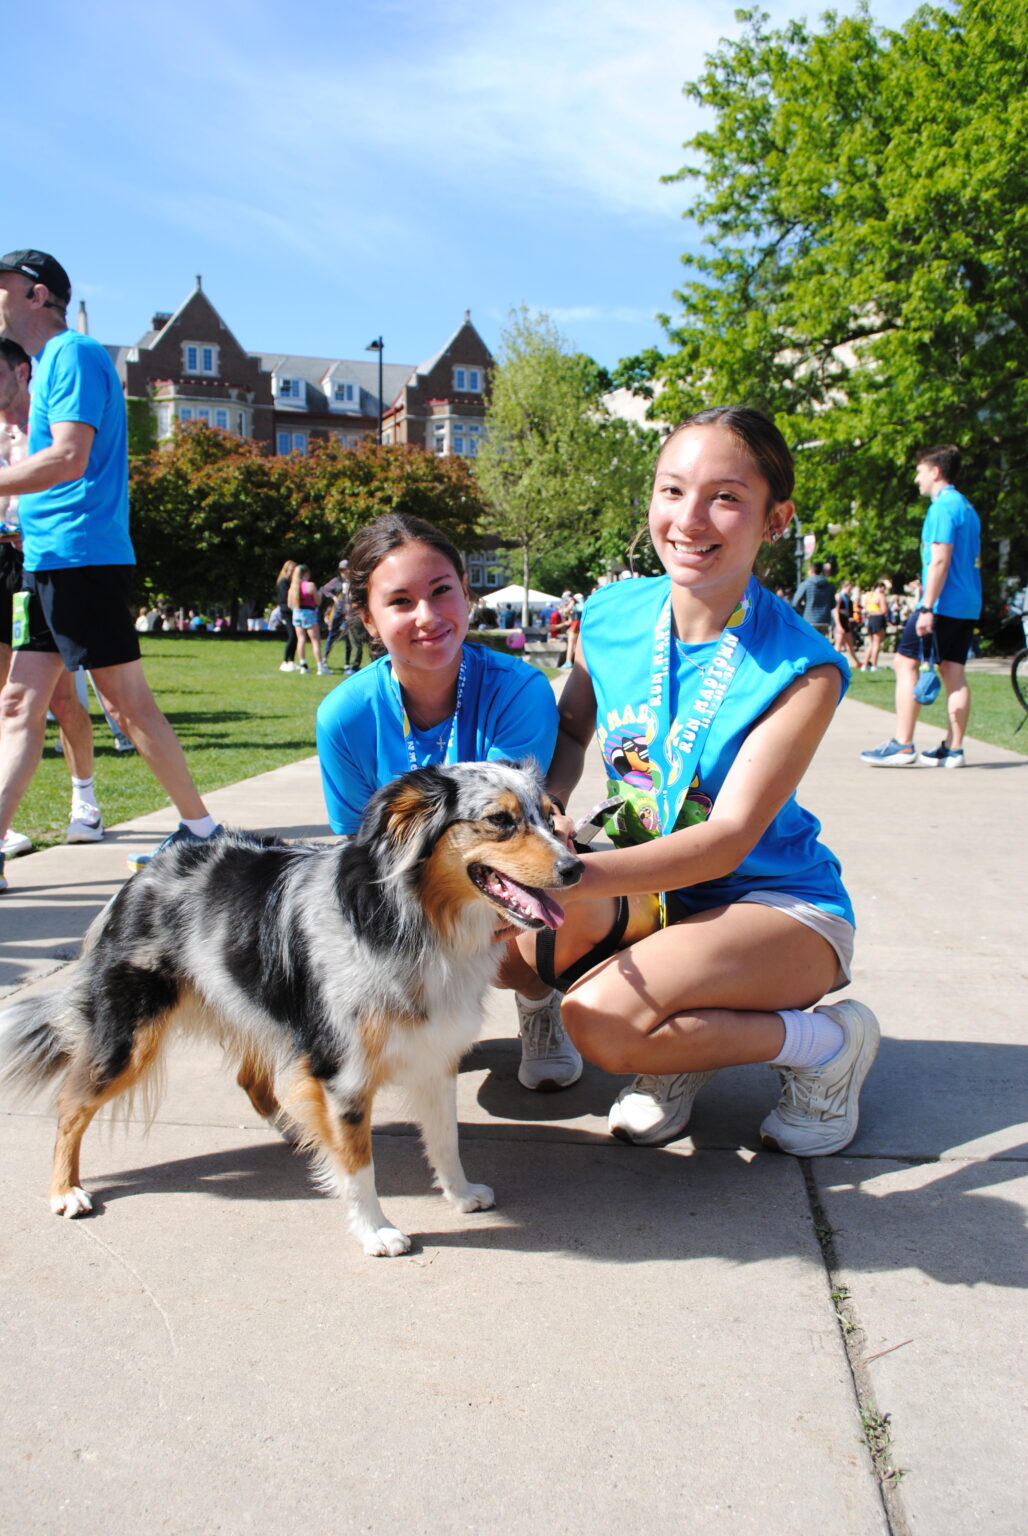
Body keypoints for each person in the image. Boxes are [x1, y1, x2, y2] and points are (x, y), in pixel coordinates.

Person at [508, 405, 880, 1155]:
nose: (690, 519)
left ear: (776, 519)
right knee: (503, 952)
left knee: (598, 1022)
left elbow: (727, 838)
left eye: (727, 497)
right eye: (672, 490)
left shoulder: (802, 666)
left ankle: (826, 1047)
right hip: (656, 896)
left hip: (774, 904)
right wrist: (540, 818)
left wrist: (566, 875)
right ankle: (676, 1055)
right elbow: (575, 729)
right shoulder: (610, 613)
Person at [314, 512, 579, 1091]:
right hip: (406, 895)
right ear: (368, 618)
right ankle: (401, 1021)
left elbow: (517, 830)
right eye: (400, 602)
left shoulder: (519, 688)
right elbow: (353, 851)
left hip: (497, 872)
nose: (428, 617)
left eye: (441, 592)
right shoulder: (345, 716)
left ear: (466, 590)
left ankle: (538, 1005)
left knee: (523, 910)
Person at [0, 248, 220, 891]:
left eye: (3, 287)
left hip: (81, 556)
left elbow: (69, 458)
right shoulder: (50, 367)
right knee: (18, 703)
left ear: (38, 294)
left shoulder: (73, 354)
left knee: (126, 706)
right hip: (48, 557)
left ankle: (204, 832)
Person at [0, 334, 108, 864]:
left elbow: (71, 468)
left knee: (64, 701)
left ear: (21, 373)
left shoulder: (48, 424)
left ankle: (84, 798)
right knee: (13, 701)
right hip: (5, 565)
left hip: (45, 564)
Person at [861, 444, 981, 768]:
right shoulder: (967, 507)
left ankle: (902, 744)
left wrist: (926, 607)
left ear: (935, 471)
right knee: (954, 671)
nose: (917, 478)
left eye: (920, 471)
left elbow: (940, 558)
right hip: (967, 602)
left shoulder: (942, 507)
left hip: (941, 602)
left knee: (904, 662)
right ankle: (953, 749)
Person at [287, 563, 330, 674]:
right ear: (306, 573)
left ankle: (303, 665)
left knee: (301, 639)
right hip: (309, 613)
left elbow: (289, 603)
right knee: (315, 640)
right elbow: (317, 601)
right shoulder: (310, 585)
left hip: (297, 613)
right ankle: (320, 666)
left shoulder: (293, 586)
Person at [791, 560, 836, 635]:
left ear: (811, 571)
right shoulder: (829, 585)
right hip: (824, 620)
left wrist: (804, 609)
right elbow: (833, 604)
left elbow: (795, 603)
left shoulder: (806, 584)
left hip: (809, 619)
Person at [275, 559, 299, 671]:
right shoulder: (284, 582)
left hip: (290, 611)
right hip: (287, 611)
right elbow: (285, 598)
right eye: (292, 570)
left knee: (295, 637)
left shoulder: (287, 581)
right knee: (292, 636)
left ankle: (291, 661)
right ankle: (285, 661)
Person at [832, 578, 861, 668]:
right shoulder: (839, 596)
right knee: (838, 645)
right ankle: (833, 663)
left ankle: (858, 662)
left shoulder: (848, 597)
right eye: (849, 588)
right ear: (845, 587)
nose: (850, 590)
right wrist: (838, 625)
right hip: (840, 623)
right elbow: (835, 611)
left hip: (846, 623)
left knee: (850, 644)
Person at [861, 580, 890, 671]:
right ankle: (874, 665)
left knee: (871, 643)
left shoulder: (868, 595)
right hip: (878, 618)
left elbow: (865, 608)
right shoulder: (880, 596)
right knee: (877, 643)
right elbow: (884, 610)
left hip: (870, 619)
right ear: (881, 587)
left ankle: (865, 664)